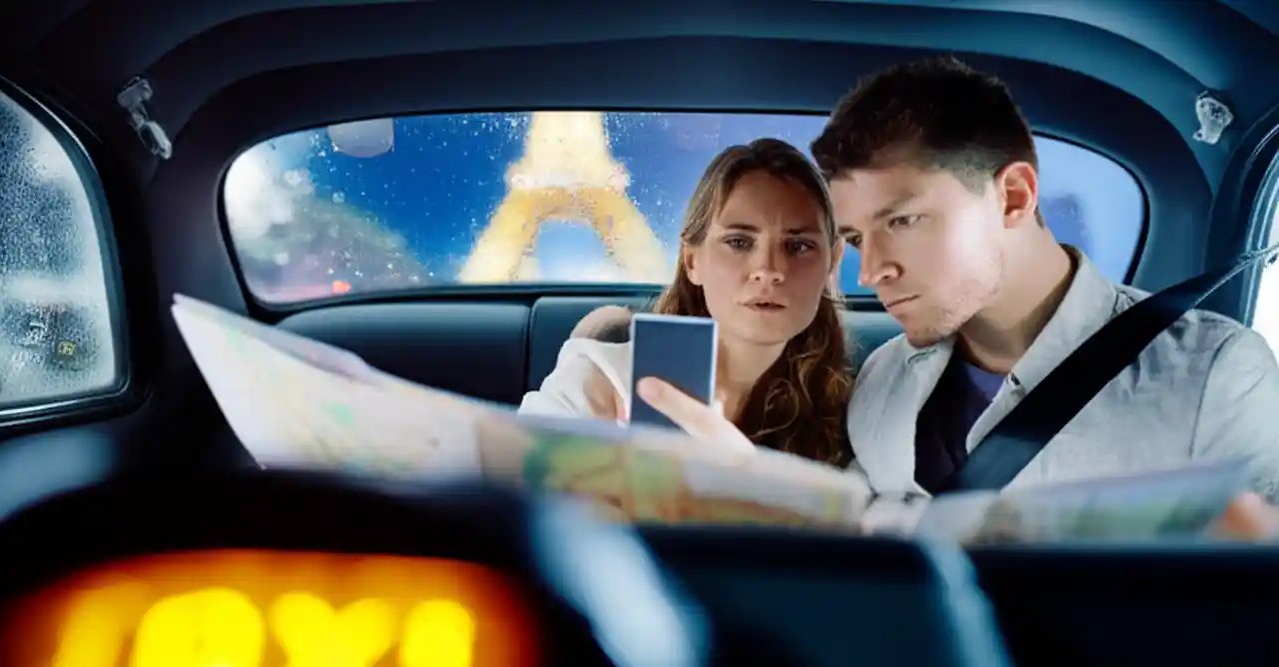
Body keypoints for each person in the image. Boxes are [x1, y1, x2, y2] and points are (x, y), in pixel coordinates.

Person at [640, 56, 1279, 532]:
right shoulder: (885, 379)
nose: (871, 272)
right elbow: (856, 549)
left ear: (1013, 197)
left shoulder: (1213, 376)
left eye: (904, 221)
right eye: (860, 238)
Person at [518, 138, 854, 467]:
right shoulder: (600, 383)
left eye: (798, 246)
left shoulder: (856, 415)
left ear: (832, 261)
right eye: (738, 242)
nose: (768, 270)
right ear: (692, 262)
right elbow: (512, 487)